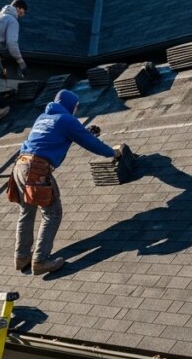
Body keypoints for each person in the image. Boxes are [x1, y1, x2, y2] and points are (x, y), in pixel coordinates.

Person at [12, 89, 122, 275]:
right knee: (52, 214)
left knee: (27, 212)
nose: (76, 111)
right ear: (70, 105)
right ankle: (40, 260)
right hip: (36, 170)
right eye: (76, 107)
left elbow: (50, 138)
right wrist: (113, 152)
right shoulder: (66, 120)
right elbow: (90, 143)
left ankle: (22, 257)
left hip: (20, 166)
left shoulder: (43, 117)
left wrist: (83, 132)